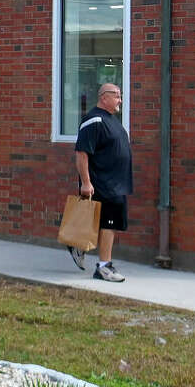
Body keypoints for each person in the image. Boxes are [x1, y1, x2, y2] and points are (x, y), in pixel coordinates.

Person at [70, 82, 132, 282]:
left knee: (106, 223)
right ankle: (104, 267)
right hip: (103, 182)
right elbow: (81, 153)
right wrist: (86, 183)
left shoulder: (111, 120)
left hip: (116, 183)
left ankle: (77, 245)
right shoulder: (94, 120)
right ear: (104, 97)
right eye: (117, 96)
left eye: (120, 96)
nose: (120, 100)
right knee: (108, 223)